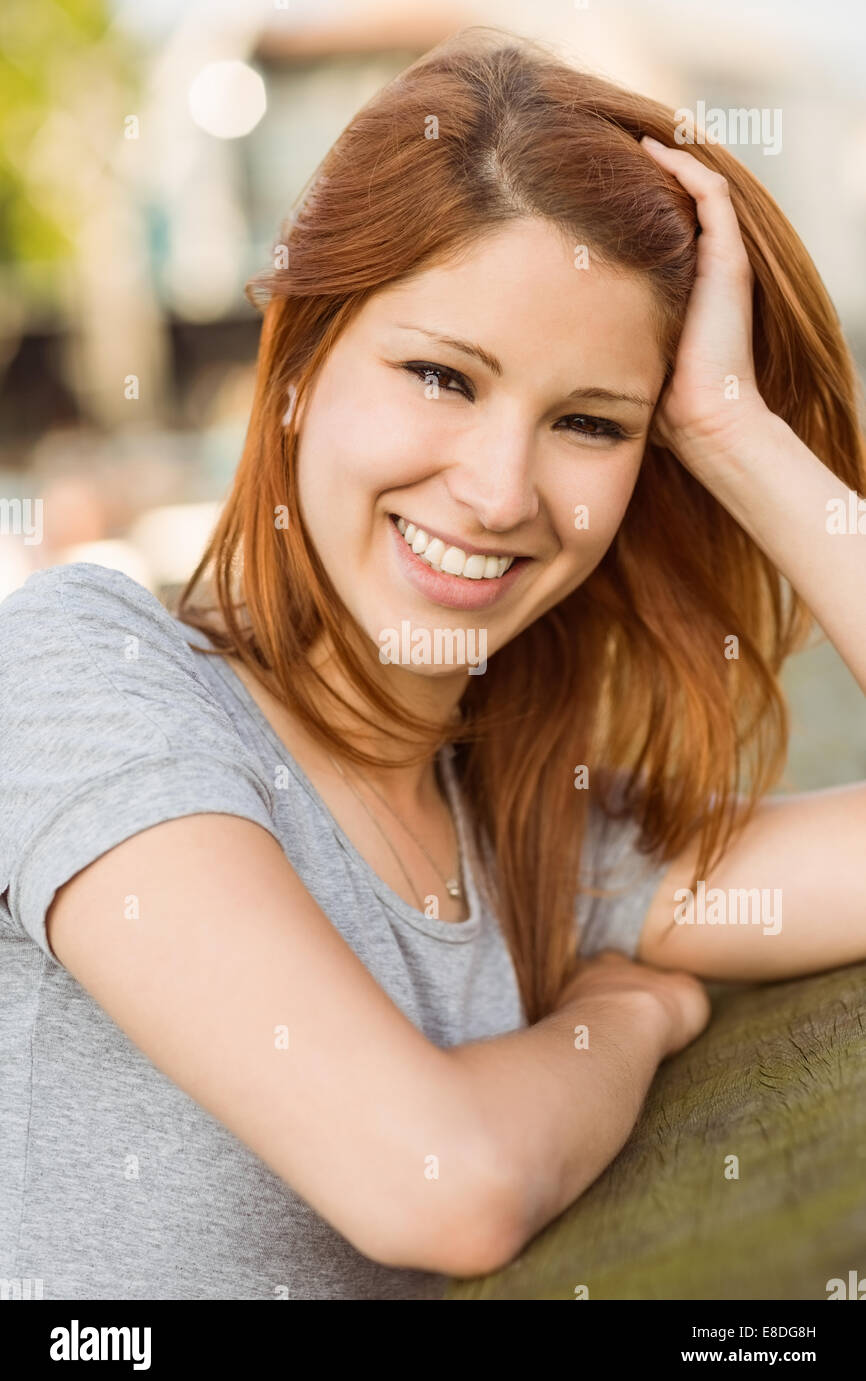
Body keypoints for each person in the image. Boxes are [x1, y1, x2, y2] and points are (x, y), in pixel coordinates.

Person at [2, 28, 864, 1301]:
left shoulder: (544, 843)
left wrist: (732, 430)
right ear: (295, 365)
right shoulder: (79, 674)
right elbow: (436, 1182)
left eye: (588, 422)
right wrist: (625, 1017)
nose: (498, 489)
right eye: (438, 374)